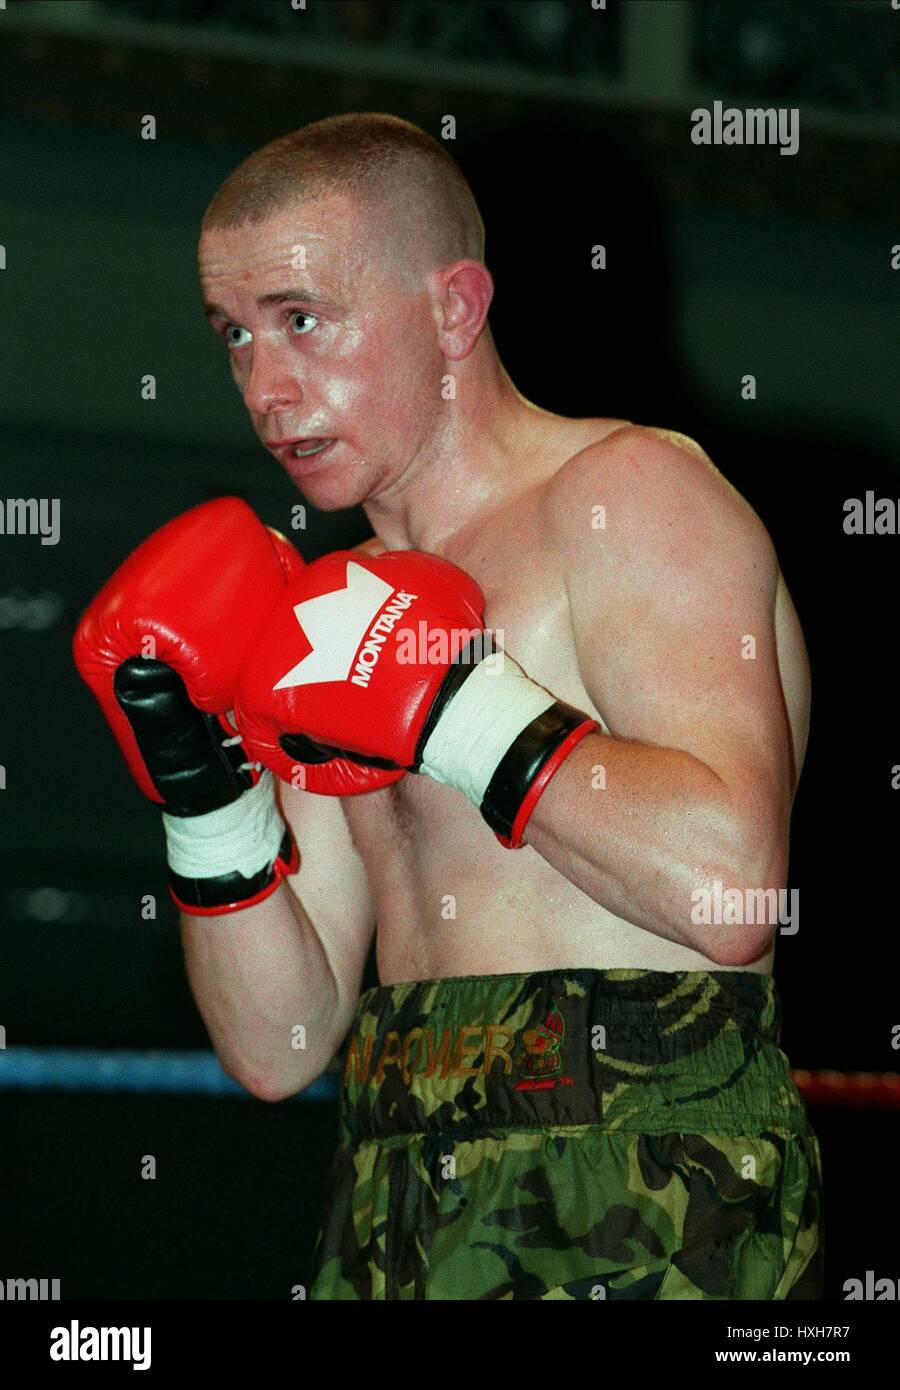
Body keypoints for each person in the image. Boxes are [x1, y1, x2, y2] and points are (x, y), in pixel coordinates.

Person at [77, 113, 822, 1300]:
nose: (266, 389)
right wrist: (205, 797)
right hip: (394, 1186)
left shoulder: (626, 493)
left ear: (454, 310)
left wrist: (462, 711)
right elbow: (280, 1046)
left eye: (302, 320)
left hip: (644, 1175)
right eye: (233, 335)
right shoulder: (325, 615)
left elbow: (729, 894)